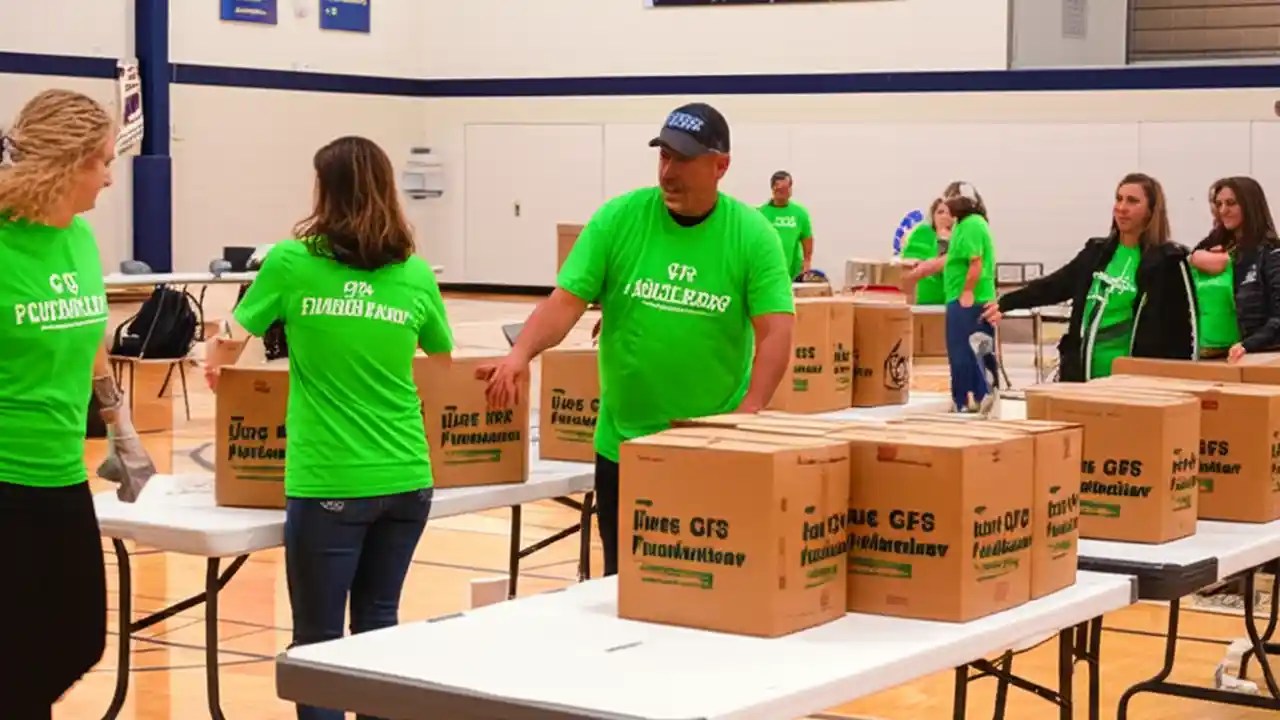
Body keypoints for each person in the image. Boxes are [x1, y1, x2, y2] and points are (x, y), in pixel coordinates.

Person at [478, 102, 795, 577]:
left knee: (705, 582)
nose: (668, 171)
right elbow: (565, 302)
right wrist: (521, 352)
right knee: (624, 583)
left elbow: (776, 332)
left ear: (720, 165)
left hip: (710, 449)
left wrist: (748, 412)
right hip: (624, 447)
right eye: (663, 156)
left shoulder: (753, 235)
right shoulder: (619, 219)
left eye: (682, 159)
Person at [214, 135, 454, 720]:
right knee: (378, 633)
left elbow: (228, 341)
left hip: (329, 480)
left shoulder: (292, 263)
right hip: (407, 478)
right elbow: (444, 361)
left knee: (319, 647)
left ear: (325, 191)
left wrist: (216, 368)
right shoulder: (415, 273)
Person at [0, 88, 121, 717]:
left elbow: (91, 337)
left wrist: (118, 423)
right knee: (17, 657)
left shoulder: (76, 239)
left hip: (61, 471)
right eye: (101, 161)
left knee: (76, 639)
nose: (108, 175)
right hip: (6, 477)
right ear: (66, 164)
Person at [983, 172, 1197, 381]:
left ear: (1151, 211)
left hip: (1133, 377)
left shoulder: (1167, 261)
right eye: (1119, 199)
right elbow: (1057, 285)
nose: (1122, 208)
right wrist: (1007, 302)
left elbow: (1181, 328)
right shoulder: (1097, 252)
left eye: (1132, 201)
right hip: (1083, 372)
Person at [1188, 176, 1280, 362]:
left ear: (1249, 205)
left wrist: (1249, 345)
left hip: (1257, 355)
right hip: (1209, 356)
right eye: (1219, 204)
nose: (1223, 210)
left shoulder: (1271, 253)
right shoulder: (1214, 247)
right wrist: (1194, 257)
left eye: (1231, 203)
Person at [931, 181, 998, 414]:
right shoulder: (963, 225)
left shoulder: (971, 225)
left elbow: (975, 263)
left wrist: (967, 291)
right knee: (965, 350)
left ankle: (977, 396)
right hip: (963, 297)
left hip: (970, 299)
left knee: (966, 351)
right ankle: (966, 397)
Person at [757, 170, 813, 278]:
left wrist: (807, 261)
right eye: (779, 189)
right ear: (773, 189)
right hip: (767, 270)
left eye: (786, 189)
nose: (783, 192)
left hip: (793, 272)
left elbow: (807, 238)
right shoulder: (761, 213)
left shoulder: (800, 213)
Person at [899, 196, 954, 305]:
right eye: (940, 212)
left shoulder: (962, 238)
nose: (944, 216)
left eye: (949, 213)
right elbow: (908, 268)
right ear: (933, 216)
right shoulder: (921, 234)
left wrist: (945, 240)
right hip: (921, 302)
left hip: (950, 303)